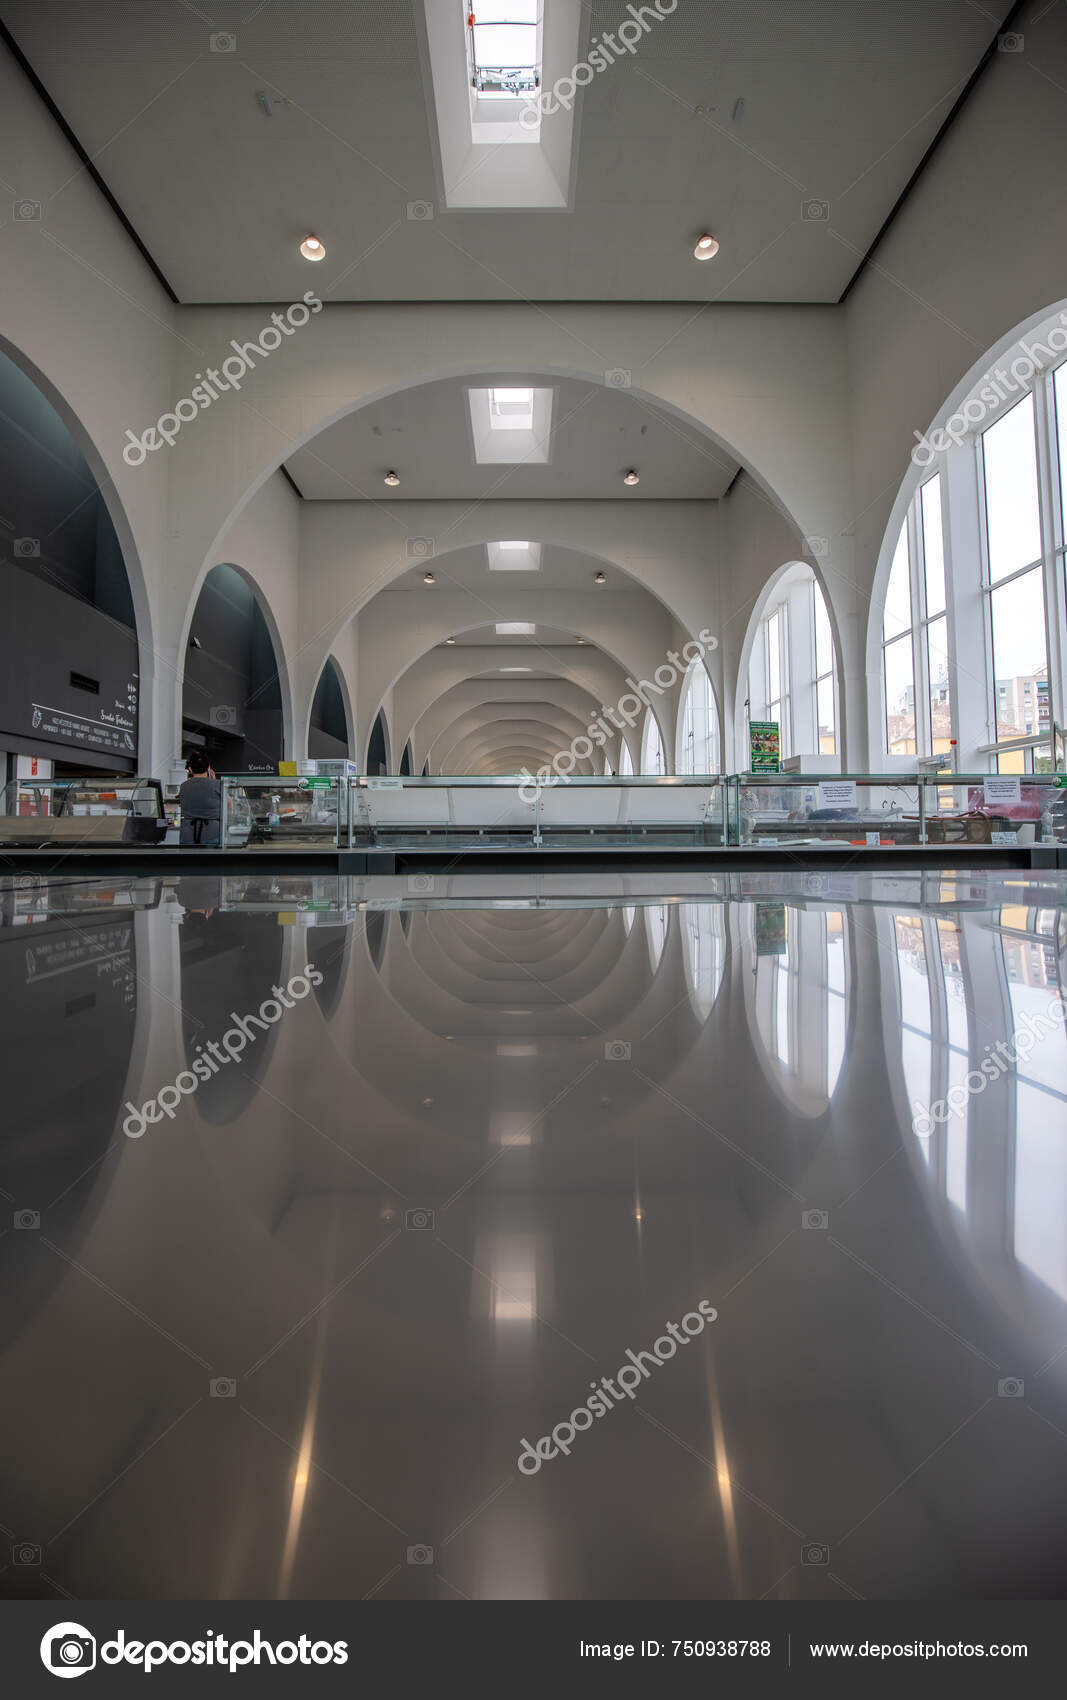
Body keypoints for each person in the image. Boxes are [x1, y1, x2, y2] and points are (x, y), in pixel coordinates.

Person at [178, 751, 222, 847]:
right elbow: (230, 805)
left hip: (187, 834)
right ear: (208, 768)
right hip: (212, 833)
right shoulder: (217, 784)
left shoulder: (183, 786)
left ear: (190, 769)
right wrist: (213, 780)